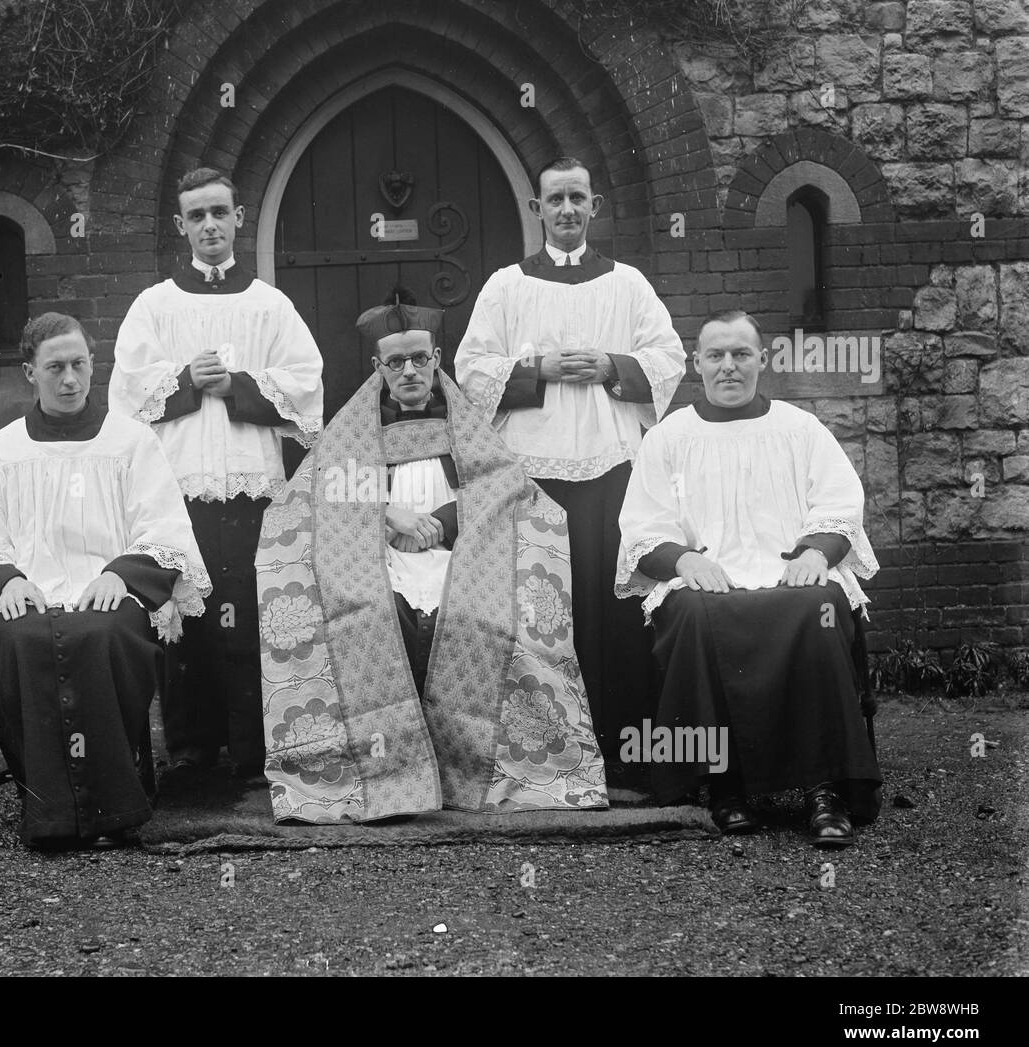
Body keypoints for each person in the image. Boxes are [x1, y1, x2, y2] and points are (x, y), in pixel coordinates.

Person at [255, 289, 608, 823]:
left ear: (437, 360)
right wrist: (386, 515)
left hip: (464, 555)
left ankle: (474, 772)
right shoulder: (355, 434)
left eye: (421, 358)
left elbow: (509, 492)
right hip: (381, 560)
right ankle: (382, 778)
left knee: (483, 618)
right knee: (366, 619)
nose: (411, 371)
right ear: (379, 368)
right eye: (397, 362)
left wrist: (443, 522)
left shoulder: (469, 429)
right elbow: (313, 499)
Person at [0, 312, 211, 848]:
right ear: (29, 373)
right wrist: (6, 583)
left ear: (94, 367)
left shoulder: (132, 443)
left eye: (80, 365)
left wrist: (124, 573)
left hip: (112, 592)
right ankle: (48, 812)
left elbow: (164, 525)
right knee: (21, 638)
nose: (70, 380)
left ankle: (112, 809)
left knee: (100, 635)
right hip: (28, 593)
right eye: (55, 367)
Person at [455, 156, 686, 776]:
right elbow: (472, 368)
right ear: (537, 209)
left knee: (610, 603)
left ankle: (619, 748)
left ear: (595, 206)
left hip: (610, 467)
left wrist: (612, 367)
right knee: (543, 606)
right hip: (533, 471)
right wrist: (537, 371)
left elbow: (668, 357)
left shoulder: (628, 284)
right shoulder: (506, 286)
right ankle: (544, 750)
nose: (566, 210)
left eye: (577, 198)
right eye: (554, 200)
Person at [615, 309, 882, 847]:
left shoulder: (798, 427)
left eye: (741, 354)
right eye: (716, 355)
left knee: (820, 608)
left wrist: (815, 553)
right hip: (706, 576)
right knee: (690, 612)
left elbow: (840, 502)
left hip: (790, 571)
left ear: (762, 359)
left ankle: (824, 787)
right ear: (697, 363)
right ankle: (723, 784)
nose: (729, 367)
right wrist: (685, 562)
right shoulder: (670, 436)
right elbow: (642, 523)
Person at [110, 167, 324, 778]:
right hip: (179, 495)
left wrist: (236, 386)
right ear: (182, 226)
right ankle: (191, 748)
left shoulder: (269, 305)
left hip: (252, 492)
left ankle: (256, 750)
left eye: (219, 213)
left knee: (252, 615)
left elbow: (305, 388)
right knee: (185, 621)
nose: (209, 225)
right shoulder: (155, 306)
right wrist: (183, 382)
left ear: (238, 219)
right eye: (197, 216)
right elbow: (127, 394)